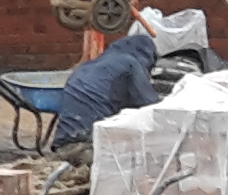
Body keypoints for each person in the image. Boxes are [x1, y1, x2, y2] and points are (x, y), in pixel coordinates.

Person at [49, 27, 159, 155]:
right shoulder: (130, 64)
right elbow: (150, 107)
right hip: (88, 146)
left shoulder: (88, 65)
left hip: (62, 145)